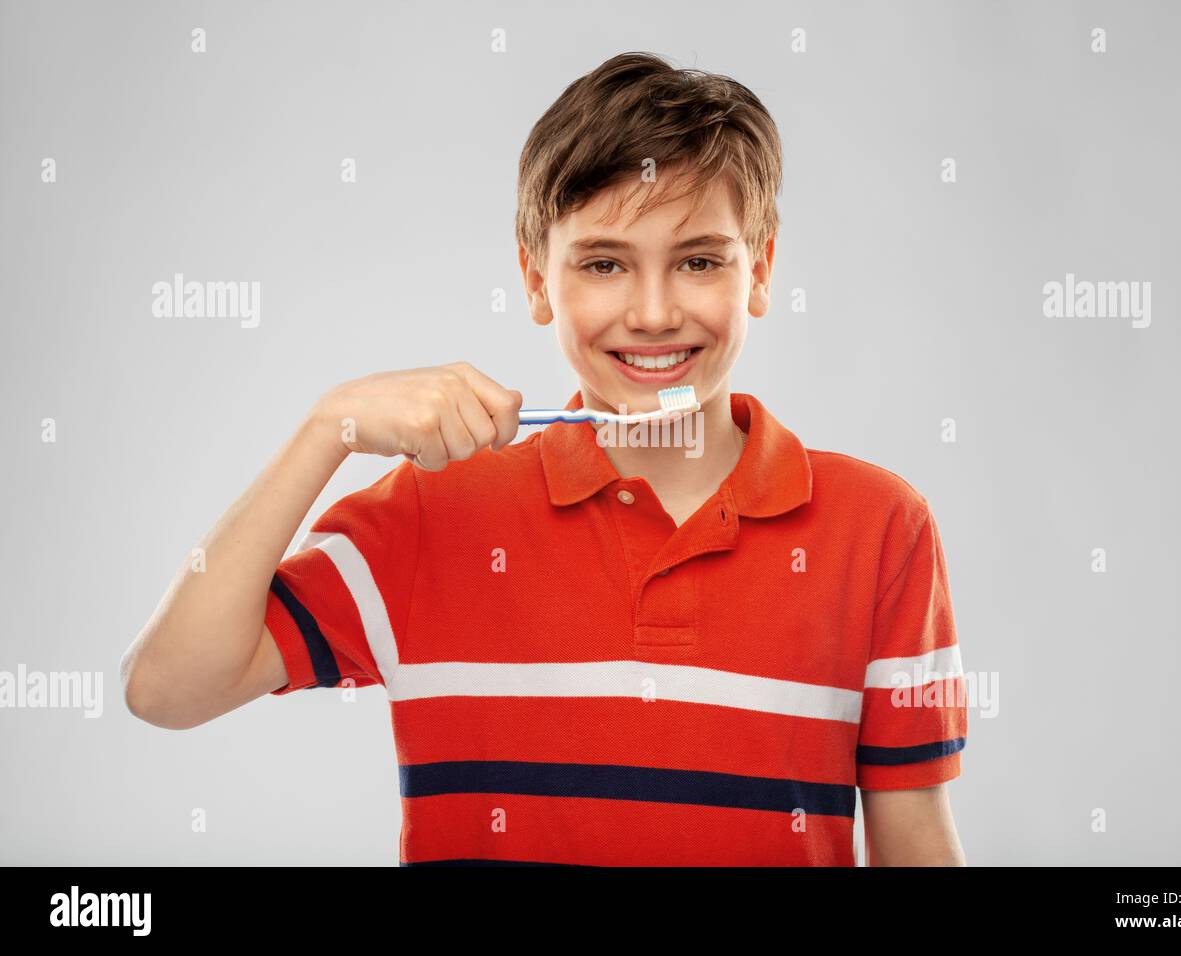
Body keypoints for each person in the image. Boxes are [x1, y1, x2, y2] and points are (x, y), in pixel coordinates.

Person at [121, 51, 968, 866]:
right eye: (604, 264)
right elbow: (166, 688)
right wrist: (326, 430)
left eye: (700, 260)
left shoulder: (880, 528)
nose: (652, 312)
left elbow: (915, 844)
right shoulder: (435, 511)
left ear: (761, 270)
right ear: (535, 281)